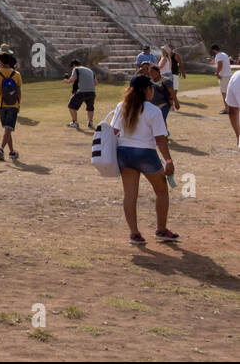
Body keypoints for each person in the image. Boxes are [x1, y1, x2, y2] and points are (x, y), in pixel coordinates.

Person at [111, 74, 178, 244]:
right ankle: (161, 230)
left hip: (124, 153)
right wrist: (168, 161)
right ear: (147, 90)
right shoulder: (153, 111)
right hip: (145, 154)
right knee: (161, 191)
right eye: (151, 88)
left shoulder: (121, 106)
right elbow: (160, 140)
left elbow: (113, 132)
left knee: (130, 195)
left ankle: (134, 233)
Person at [0, 51, 24, 161]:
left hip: (1, 104)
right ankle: (1, 149)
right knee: (8, 129)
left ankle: (12, 152)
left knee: (7, 129)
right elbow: (18, 92)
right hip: (13, 104)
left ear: (0, 61)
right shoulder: (17, 74)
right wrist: (18, 104)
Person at [65, 59, 98, 130]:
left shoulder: (76, 69)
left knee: (71, 106)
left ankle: (75, 122)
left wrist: (66, 81)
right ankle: (90, 123)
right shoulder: (90, 70)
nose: (72, 69)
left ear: (74, 65)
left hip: (82, 91)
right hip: (92, 92)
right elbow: (96, 83)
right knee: (90, 108)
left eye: (72, 67)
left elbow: (72, 79)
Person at [147, 65, 178, 134]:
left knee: (161, 120)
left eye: (153, 72)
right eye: (150, 72)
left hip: (164, 104)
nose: (152, 74)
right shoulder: (149, 82)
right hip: (152, 105)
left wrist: (176, 103)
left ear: (158, 72)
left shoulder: (166, 81)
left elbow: (172, 93)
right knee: (158, 120)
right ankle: (165, 132)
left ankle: (164, 135)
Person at [213, 45, 232, 114]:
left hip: (224, 76)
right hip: (229, 75)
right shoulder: (224, 54)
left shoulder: (218, 55)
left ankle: (227, 109)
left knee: (224, 93)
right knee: (229, 92)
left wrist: (217, 73)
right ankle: (232, 107)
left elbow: (220, 64)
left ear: (214, 50)